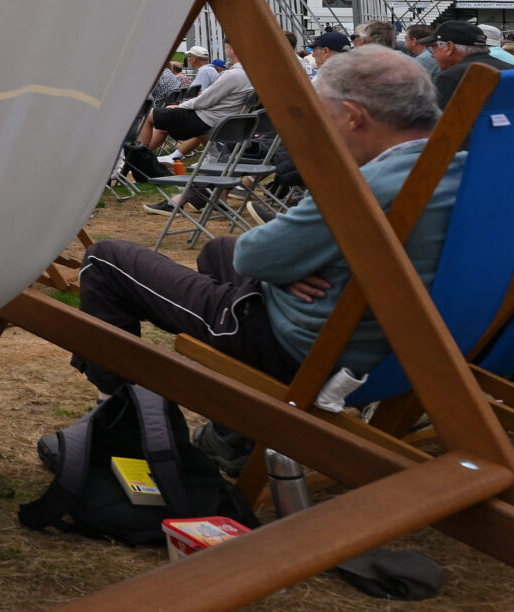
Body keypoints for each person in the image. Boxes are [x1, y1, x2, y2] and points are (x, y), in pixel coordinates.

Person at [67, 50, 458, 455]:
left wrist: (285, 264)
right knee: (219, 249)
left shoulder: (366, 186)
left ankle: (123, 417)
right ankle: (236, 432)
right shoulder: (467, 168)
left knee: (105, 259)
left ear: (355, 117)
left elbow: (255, 256)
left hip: (301, 347)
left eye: (323, 116)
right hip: (408, 347)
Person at [137, 42, 252, 155]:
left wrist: (180, 106)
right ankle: (213, 156)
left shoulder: (226, 74)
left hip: (209, 119)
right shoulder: (250, 74)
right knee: (164, 119)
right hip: (227, 119)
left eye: (226, 48)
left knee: (149, 115)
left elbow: (203, 100)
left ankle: (138, 156)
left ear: (233, 51)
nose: (226, 51)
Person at [427, 18, 500, 110]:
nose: (432, 55)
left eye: (433, 47)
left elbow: (440, 121)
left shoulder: (451, 77)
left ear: (449, 47)